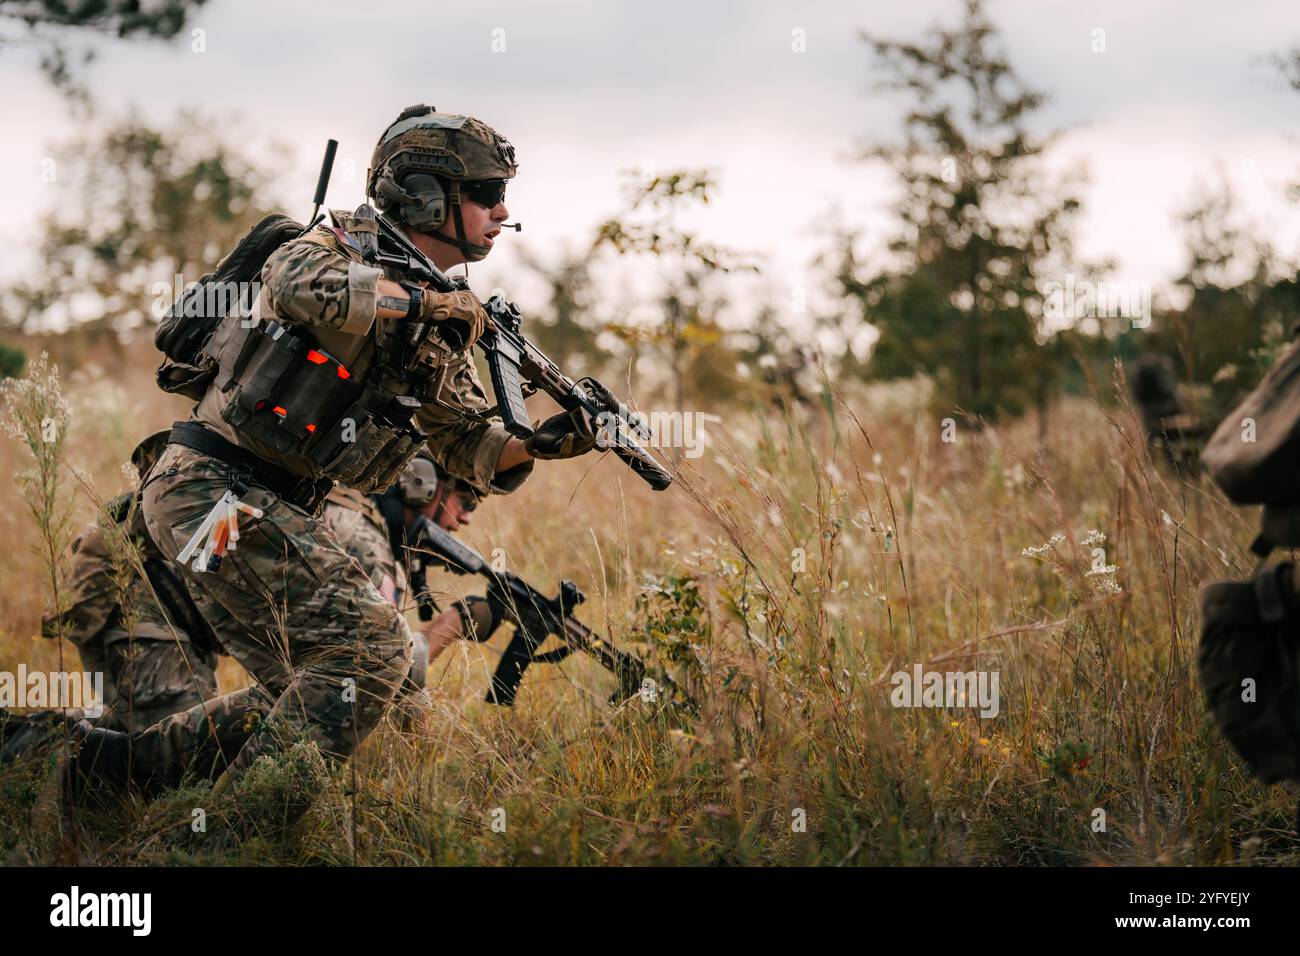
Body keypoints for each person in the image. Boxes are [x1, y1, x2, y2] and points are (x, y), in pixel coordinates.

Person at [66, 105, 602, 809]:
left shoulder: (444, 318)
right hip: (207, 495)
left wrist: (540, 443)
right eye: (485, 192)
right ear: (425, 195)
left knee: (330, 686)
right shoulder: (338, 248)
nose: (503, 210)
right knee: (370, 655)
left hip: (267, 506)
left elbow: (470, 445)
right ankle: (239, 839)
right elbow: (293, 287)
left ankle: (112, 769)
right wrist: (421, 304)